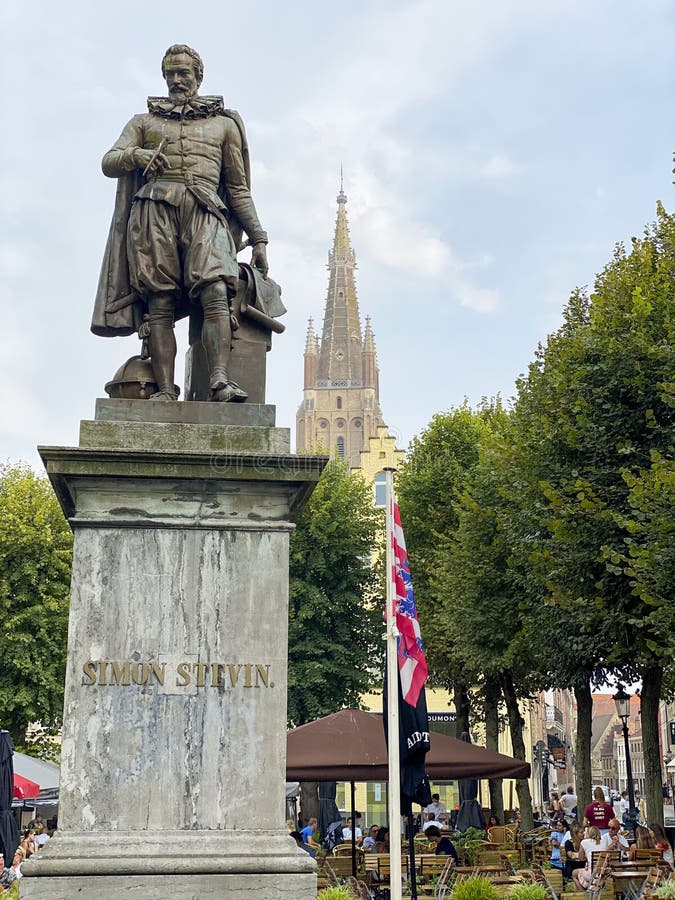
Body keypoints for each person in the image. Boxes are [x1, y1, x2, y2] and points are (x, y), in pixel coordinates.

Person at [94, 44, 270, 403]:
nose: (176, 80)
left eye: (183, 73)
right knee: (159, 302)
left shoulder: (224, 125)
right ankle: (163, 391)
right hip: (153, 212)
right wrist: (136, 155)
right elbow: (108, 161)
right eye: (170, 73)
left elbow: (238, 188)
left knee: (216, 292)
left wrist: (259, 238)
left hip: (206, 211)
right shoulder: (143, 122)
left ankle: (219, 381)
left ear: (198, 76)